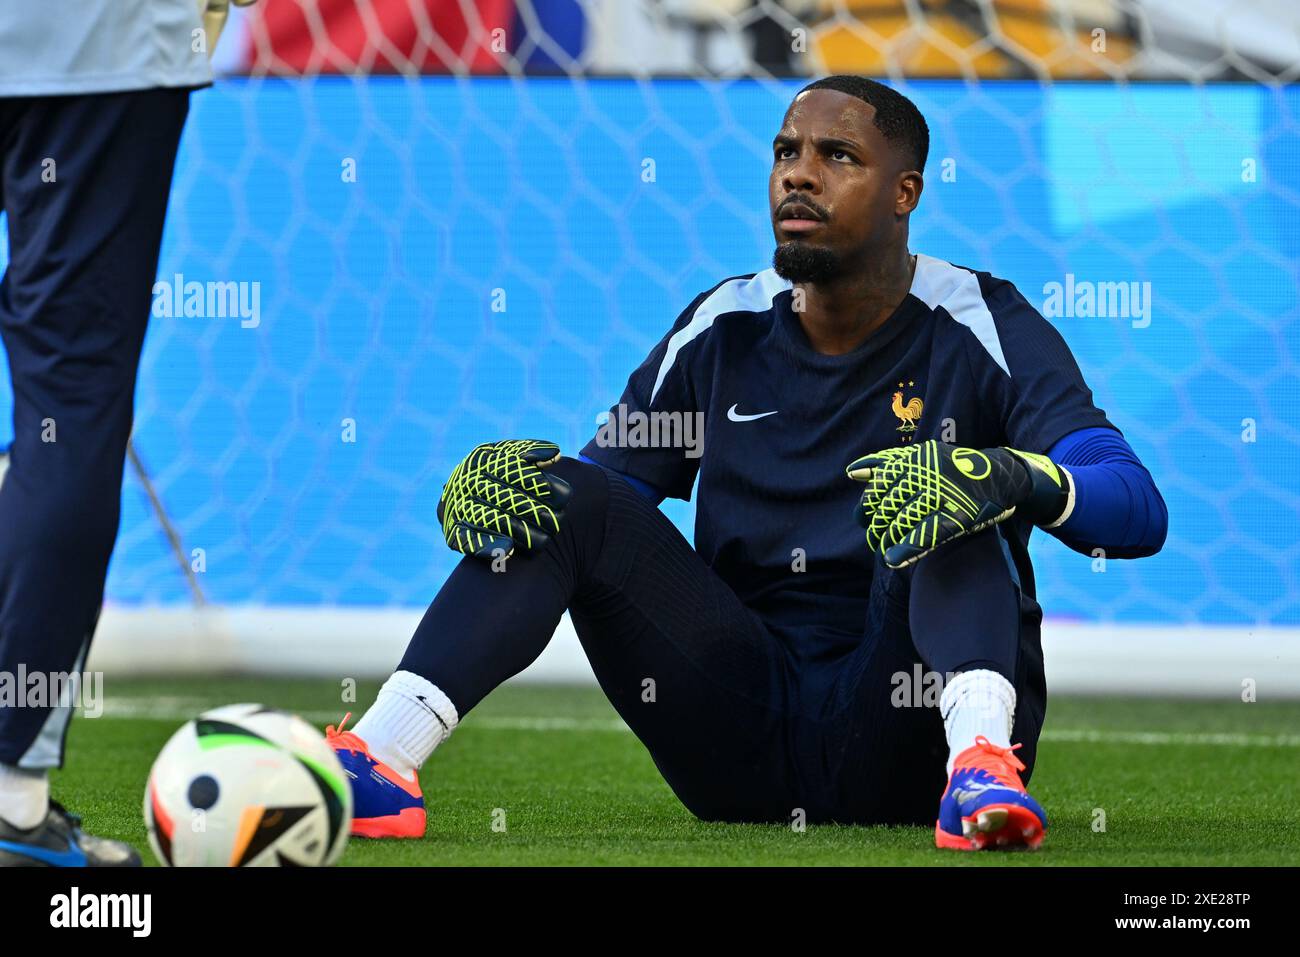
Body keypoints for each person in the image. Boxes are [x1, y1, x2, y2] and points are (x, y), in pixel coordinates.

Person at [329, 75, 1167, 851]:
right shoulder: (725, 322)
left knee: (948, 494)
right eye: (785, 153)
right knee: (557, 492)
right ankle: (379, 763)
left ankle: (981, 763)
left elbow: (1134, 503)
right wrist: (521, 512)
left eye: (837, 156)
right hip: (737, 733)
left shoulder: (985, 320)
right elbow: (602, 505)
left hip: (902, 738)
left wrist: (1015, 476)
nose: (798, 176)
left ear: (905, 193)